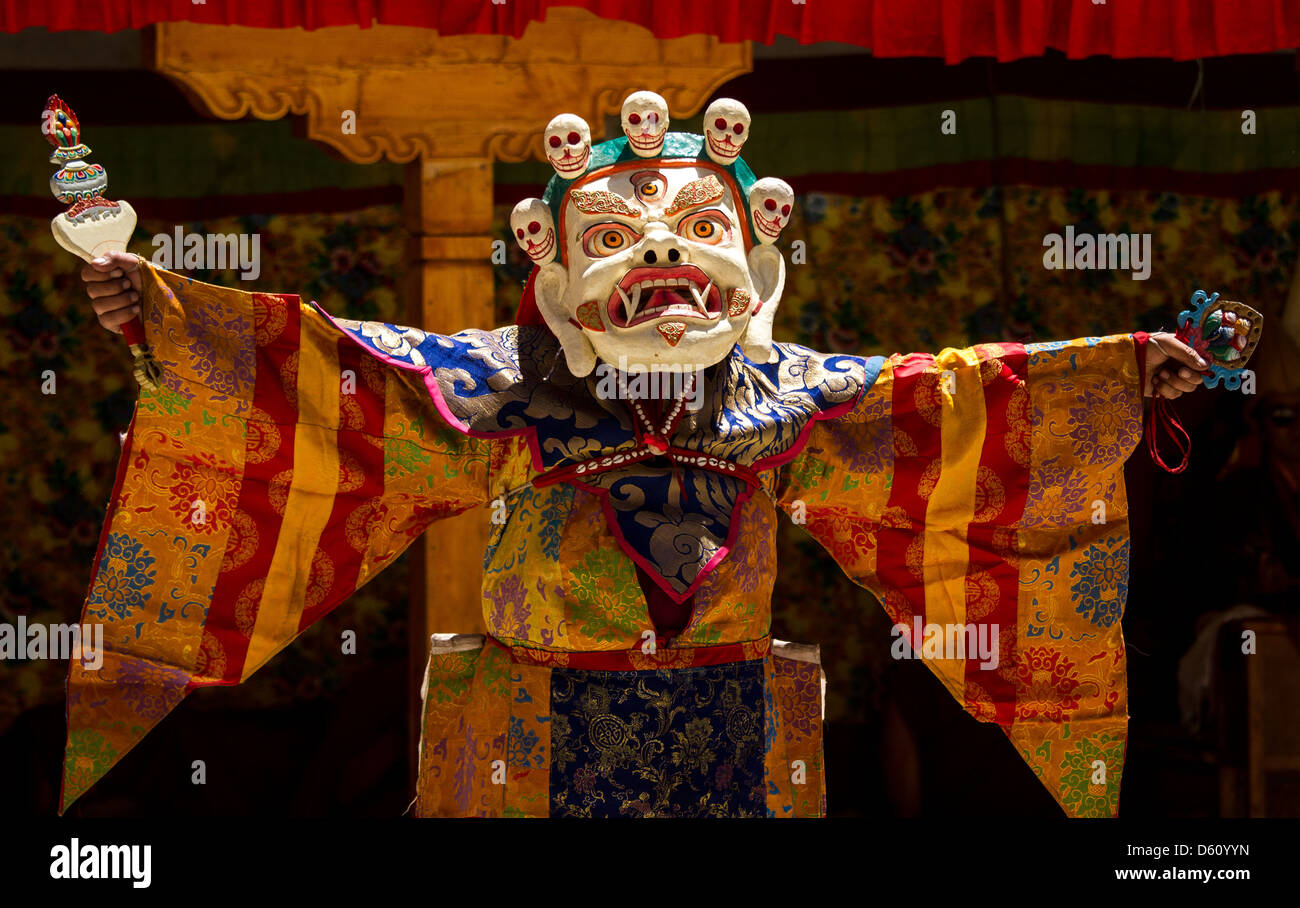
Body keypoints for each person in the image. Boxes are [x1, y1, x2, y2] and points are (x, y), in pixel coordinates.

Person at [67, 90, 1209, 818]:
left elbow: (957, 397)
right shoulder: (502, 386)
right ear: (555, 276)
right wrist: (161, 312)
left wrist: (1118, 370)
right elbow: (334, 364)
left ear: (756, 271)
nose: (663, 250)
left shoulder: (791, 395)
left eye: (701, 229)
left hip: (732, 722)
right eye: (614, 239)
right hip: (532, 723)